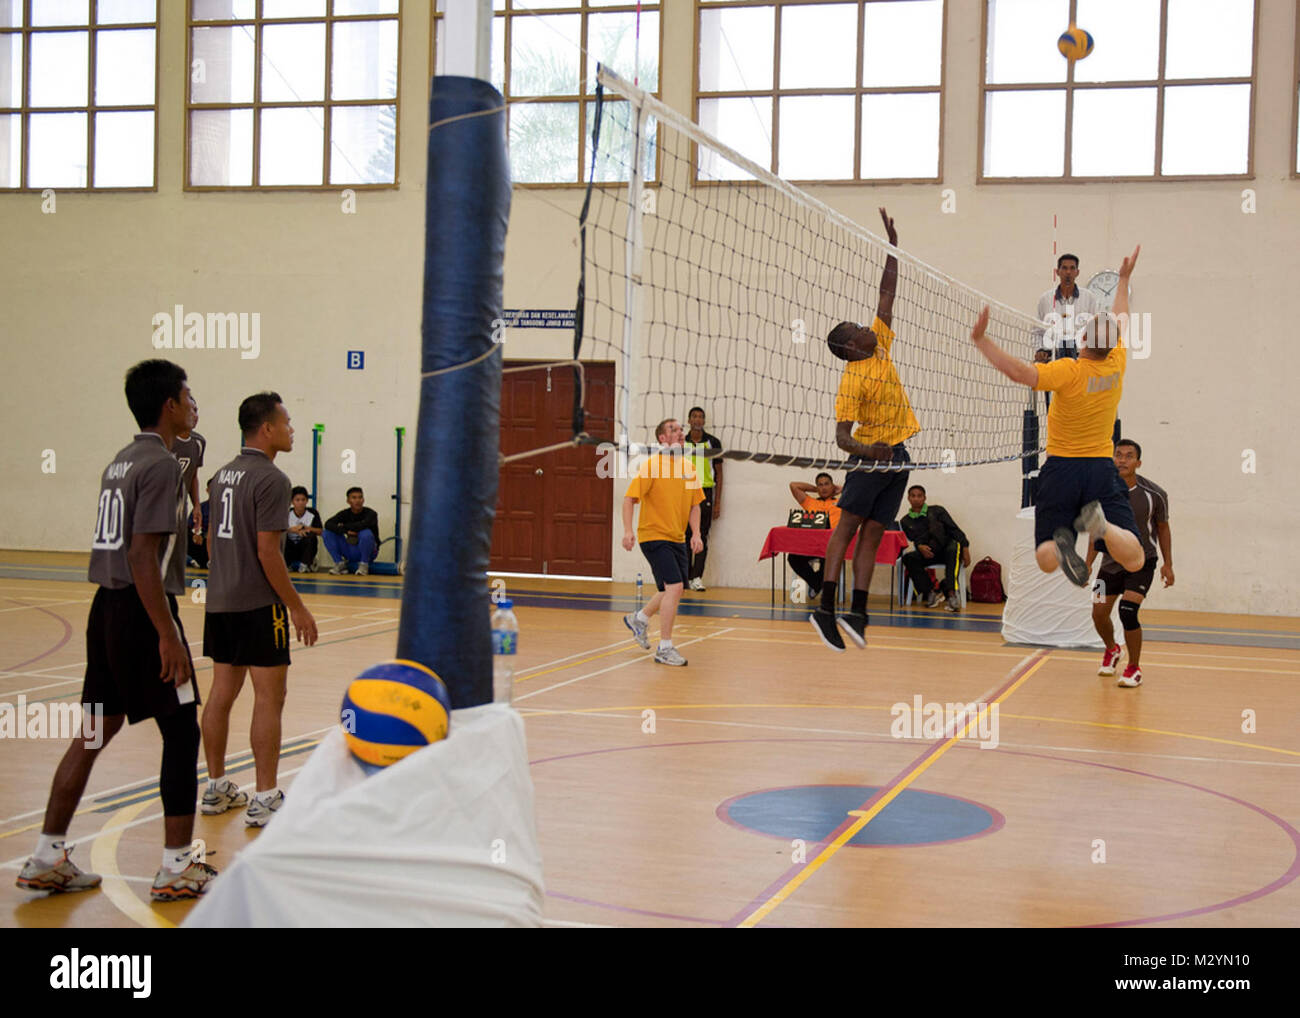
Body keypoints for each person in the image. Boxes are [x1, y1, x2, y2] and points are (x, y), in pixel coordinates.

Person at [17, 360, 217, 901]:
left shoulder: (121, 460)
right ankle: (177, 866)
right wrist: (168, 634)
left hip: (104, 611)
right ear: (169, 405)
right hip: (139, 612)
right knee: (181, 730)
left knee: (92, 734)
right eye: (187, 394)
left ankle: (46, 855)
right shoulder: (157, 464)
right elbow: (142, 556)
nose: (193, 402)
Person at [970, 245, 1146, 586]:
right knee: (1136, 557)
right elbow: (1122, 317)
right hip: (1100, 468)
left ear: (1081, 339)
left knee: (1047, 559)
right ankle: (1103, 527)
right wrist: (1123, 279)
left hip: (1061, 467)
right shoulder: (1117, 363)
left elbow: (1020, 373)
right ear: (1113, 345)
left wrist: (982, 341)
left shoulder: (1068, 371)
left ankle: (1063, 545)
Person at [201, 392, 319, 828]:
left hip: (220, 601)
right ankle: (266, 796)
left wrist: (227, 575)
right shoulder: (272, 480)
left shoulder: (221, 476)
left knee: (221, 694)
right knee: (270, 696)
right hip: (258, 604)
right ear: (266, 428)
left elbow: (212, 542)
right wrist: (298, 609)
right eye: (286, 422)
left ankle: (215, 788)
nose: (291, 429)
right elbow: (269, 552)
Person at [810, 207, 919, 653]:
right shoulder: (851, 379)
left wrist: (892, 247)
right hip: (871, 460)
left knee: (874, 532)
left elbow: (886, 295)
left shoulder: (881, 345)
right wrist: (867, 452)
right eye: (858, 328)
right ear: (851, 346)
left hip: (899, 455)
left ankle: (858, 610)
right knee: (848, 528)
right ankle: (825, 605)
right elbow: (841, 437)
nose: (866, 324)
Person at [1085, 439, 1173, 688]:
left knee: (1127, 610)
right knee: (1098, 612)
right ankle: (1112, 649)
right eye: (1118, 455)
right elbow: (1095, 529)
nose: (1122, 460)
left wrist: (1168, 564)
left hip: (1141, 561)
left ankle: (1134, 667)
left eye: (1128, 456)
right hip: (1109, 563)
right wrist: (1088, 562)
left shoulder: (1155, 494)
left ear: (1138, 462)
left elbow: (1163, 528)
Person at [621, 418, 704, 666]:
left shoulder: (689, 467)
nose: (680, 433)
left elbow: (695, 505)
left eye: (680, 430)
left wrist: (696, 534)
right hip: (653, 535)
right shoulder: (651, 466)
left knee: (670, 589)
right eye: (673, 430)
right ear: (662, 438)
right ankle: (665, 647)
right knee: (675, 588)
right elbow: (629, 499)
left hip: (677, 537)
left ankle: (641, 618)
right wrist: (627, 530)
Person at [899, 485, 971, 612]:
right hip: (928, 553)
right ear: (908, 498)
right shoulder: (905, 521)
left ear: (924, 498)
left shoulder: (937, 511)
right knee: (908, 558)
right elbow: (916, 539)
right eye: (913, 496)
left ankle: (951, 594)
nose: (916, 499)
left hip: (946, 550)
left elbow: (954, 530)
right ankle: (931, 593)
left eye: (919, 496)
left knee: (953, 548)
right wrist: (920, 547)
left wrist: (965, 548)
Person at [1033, 253, 1101, 364]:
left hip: (1080, 360)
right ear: (1057, 272)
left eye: (1072, 268)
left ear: (1077, 272)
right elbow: (1037, 331)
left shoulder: (1089, 298)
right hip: (1053, 358)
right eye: (1064, 268)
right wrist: (1040, 350)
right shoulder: (1046, 299)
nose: (1068, 272)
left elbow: (1095, 329)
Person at [683, 407, 723, 592]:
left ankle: (696, 577)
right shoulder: (681, 443)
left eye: (701, 417)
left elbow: (720, 474)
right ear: (689, 420)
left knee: (701, 536)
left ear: (704, 421)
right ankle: (685, 577)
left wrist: (717, 502)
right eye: (694, 416)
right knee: (684, 536)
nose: (697, 419)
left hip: (705, 491)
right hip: (683, 492)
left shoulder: (713, 442)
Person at [786, 472, 841, 600]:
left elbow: (856, 492)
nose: (824, 487)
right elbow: (794, 486)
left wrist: (838, 489)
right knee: (793, 558)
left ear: (833, 486)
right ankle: (817, 584)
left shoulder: (842, 502)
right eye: (820, 485)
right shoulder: (810, 502)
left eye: (827, 484)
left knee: (829, 557)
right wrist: (816, 490)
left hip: (832, 545)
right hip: (812, 545)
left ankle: (817, 585)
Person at [173, 400, 206, 569]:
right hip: (158, 503)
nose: (195, 415)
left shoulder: (199, 442)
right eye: (190, 410)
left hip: (181, 503)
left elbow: (193, 476)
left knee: (178, 547)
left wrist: (197, 506)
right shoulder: (167, 439)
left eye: (196, 410)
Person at [323, 487, 380, 575]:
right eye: (354, 498)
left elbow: (363, 525)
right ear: (348, 501)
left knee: (365, 533)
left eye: (360, 497)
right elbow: (328, 524)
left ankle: (364, 565)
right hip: (350, 550)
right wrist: (346, 531)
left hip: (368, 552)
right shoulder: (344, 513)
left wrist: (345, 527)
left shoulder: (371, 514)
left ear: (363, 500)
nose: (357, 500)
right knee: (327, 533)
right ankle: (339, 563)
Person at [284, 486, 323, 573]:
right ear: (292, 501)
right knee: (282, 537)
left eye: (303, 500)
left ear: (307, 501)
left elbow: (320, 531)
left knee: (311, 536)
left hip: (304, 547)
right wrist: (293, 530)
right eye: (297, 500)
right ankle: (286, 563)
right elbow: (278, 530)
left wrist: (306, 528)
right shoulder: (286, 513)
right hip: (290, 547)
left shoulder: (313, 513)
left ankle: (305, 564)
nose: (301, 503)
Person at [188, 479, 212, 570]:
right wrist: (195, 535)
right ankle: (192, 560)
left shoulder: (228, 507)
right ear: (207, 490)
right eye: (211, 489)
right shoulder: (201, 507)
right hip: (203, 543)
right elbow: (189, 526)